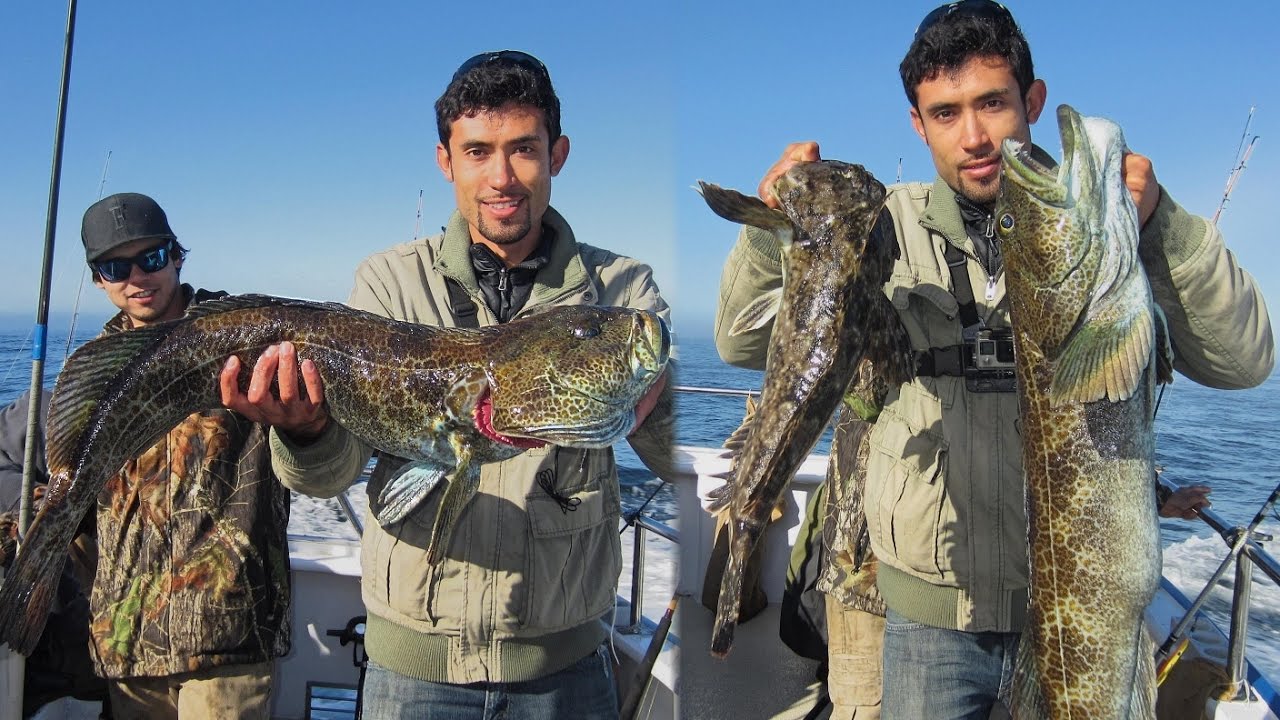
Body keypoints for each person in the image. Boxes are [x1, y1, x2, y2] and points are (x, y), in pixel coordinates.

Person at [713, 3, 1274, 719]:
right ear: (917, 124)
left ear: (1031, 101)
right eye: (945, 113)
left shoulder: (1105, 229)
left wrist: (1160, 223)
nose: (973, 136)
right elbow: (744, 342)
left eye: (992, 103)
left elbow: (1245, 359)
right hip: (928, 621)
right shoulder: (883, 230)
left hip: (1083, 606)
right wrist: (777, 237)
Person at [222, 50, 672, 720]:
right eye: (477, 152)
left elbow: (663, 450)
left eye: (524, 149)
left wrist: (648, 403)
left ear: (558, 153)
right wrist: (303, 427)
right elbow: (331, 473)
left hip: (567, 671)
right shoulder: (387, 284)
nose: (502, 177)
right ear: (445, 161)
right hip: (414, 674)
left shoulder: (621, 293)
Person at [66, 192, 291, 719]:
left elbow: (304, 446)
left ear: (176, 255)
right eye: (116, 266)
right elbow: (73, 485)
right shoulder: (91, 373)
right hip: (126, 641)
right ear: (98, 277)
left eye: (151, 258)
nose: (138, 278)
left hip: (227, 637)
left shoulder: (247, 337)